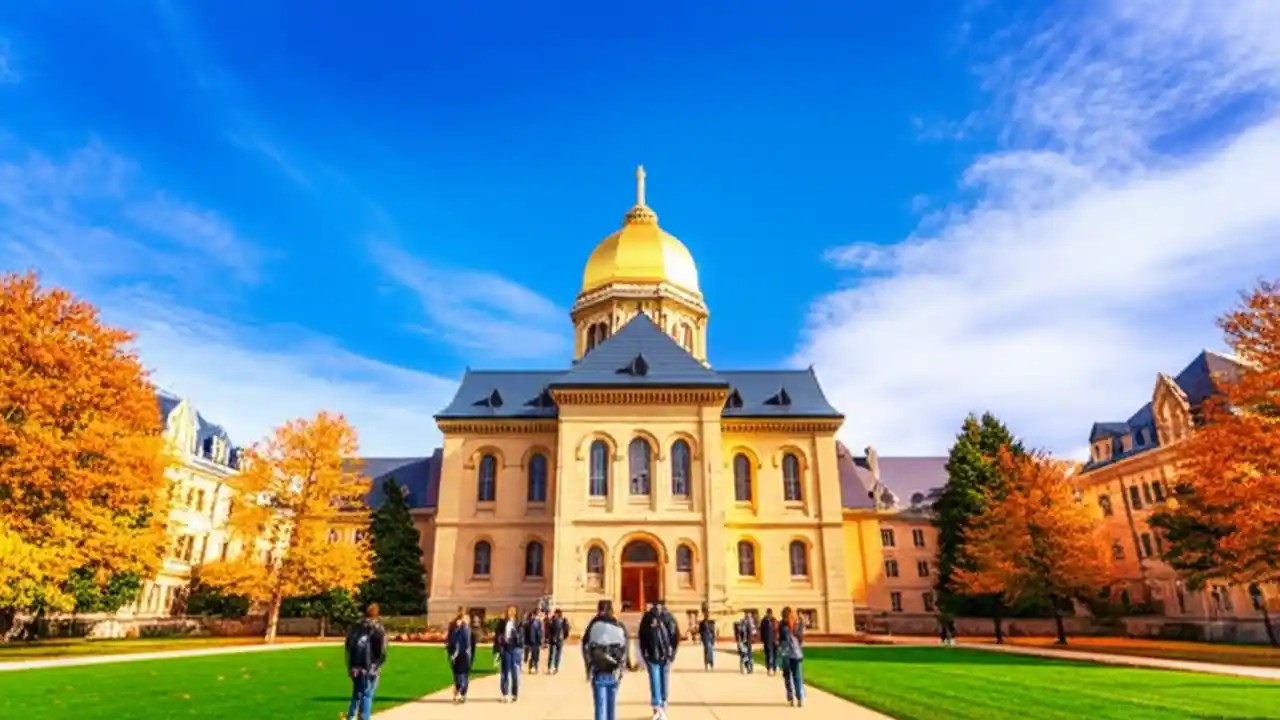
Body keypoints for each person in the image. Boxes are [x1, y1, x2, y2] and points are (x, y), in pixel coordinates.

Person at [583, 599, 632, 720]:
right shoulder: (619, 627)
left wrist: (588, 667)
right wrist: (623, 666)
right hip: (614, 670)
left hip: (598, 669)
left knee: (600, 705)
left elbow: (585, 648)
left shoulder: (593, 626)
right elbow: (625, 648)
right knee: (612, 704)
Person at [344, 603, 388, 720]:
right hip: (369, 666)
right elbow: (382, 650)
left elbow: (348, 647)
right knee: (367, 695)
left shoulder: (355, 627)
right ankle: (364, 717)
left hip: (355, 666)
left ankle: (351, 716)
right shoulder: (378, 628)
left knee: (357, 693)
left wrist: (349, 666)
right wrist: (379, 664)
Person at [638, 599, 677, 720]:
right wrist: (672, 653)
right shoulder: (669, 617)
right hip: (665, 655)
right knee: (663, 679)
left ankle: (657, 707)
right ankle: (663, 705)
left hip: (652, 654)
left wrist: (644, 654)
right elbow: (675, 636)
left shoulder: (647, 618)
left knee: (655, 680)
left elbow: (642, 637)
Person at [494, 605, 525, 703]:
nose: (510, 613)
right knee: (505, 672)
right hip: (506, 649)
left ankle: (514, 694)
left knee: (515, 673)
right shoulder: (502, 623)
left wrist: (516, 635)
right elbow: (497, 636)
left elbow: (522, 638)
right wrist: (498, 647)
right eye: (509, 611)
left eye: (513, 611)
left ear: (515, 613)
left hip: (515, 649)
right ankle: (505, 693)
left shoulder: (518, 624)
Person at [778, 607, 805, 707]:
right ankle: (798, 697)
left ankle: (793, 697)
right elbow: (800, 638)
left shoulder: (783, 625)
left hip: (787, 653)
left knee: (788, 676)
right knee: (796, 676)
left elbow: (780, 640)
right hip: (795, 653)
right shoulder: (795, 625)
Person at [446, 609, 473, 703]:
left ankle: (463, 693)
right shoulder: (453, 626)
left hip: (465, 654)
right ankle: (458, 691)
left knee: (464, 675)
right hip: (456, 654)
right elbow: (450, 641)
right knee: (458, 675)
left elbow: (470, 642)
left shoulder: (467, 628)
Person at [546, 608, 569, 674]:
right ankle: (554, 668)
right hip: (558, 639)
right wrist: (564, 637)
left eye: (555, 613)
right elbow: (566, 630)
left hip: (554, 639)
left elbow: (549, 629)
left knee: (553, 654)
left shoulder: (552, 620)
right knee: (556, 654)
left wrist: (549, 637)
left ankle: (551, 668)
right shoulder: (563, 620)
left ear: (557, 613)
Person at [759, 608, 779, 676]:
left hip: (775, 641)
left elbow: (777, 630)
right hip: (767, 641)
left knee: (775, 656)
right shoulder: (764, 621)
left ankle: (774, 669)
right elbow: (761, 631)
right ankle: (768, 668)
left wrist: (778, 639)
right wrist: (762, 640)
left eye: (770, 614)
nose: (769, 615)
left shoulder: (774, 620)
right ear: (767, 613)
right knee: (768, 655)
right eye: (768, 613)